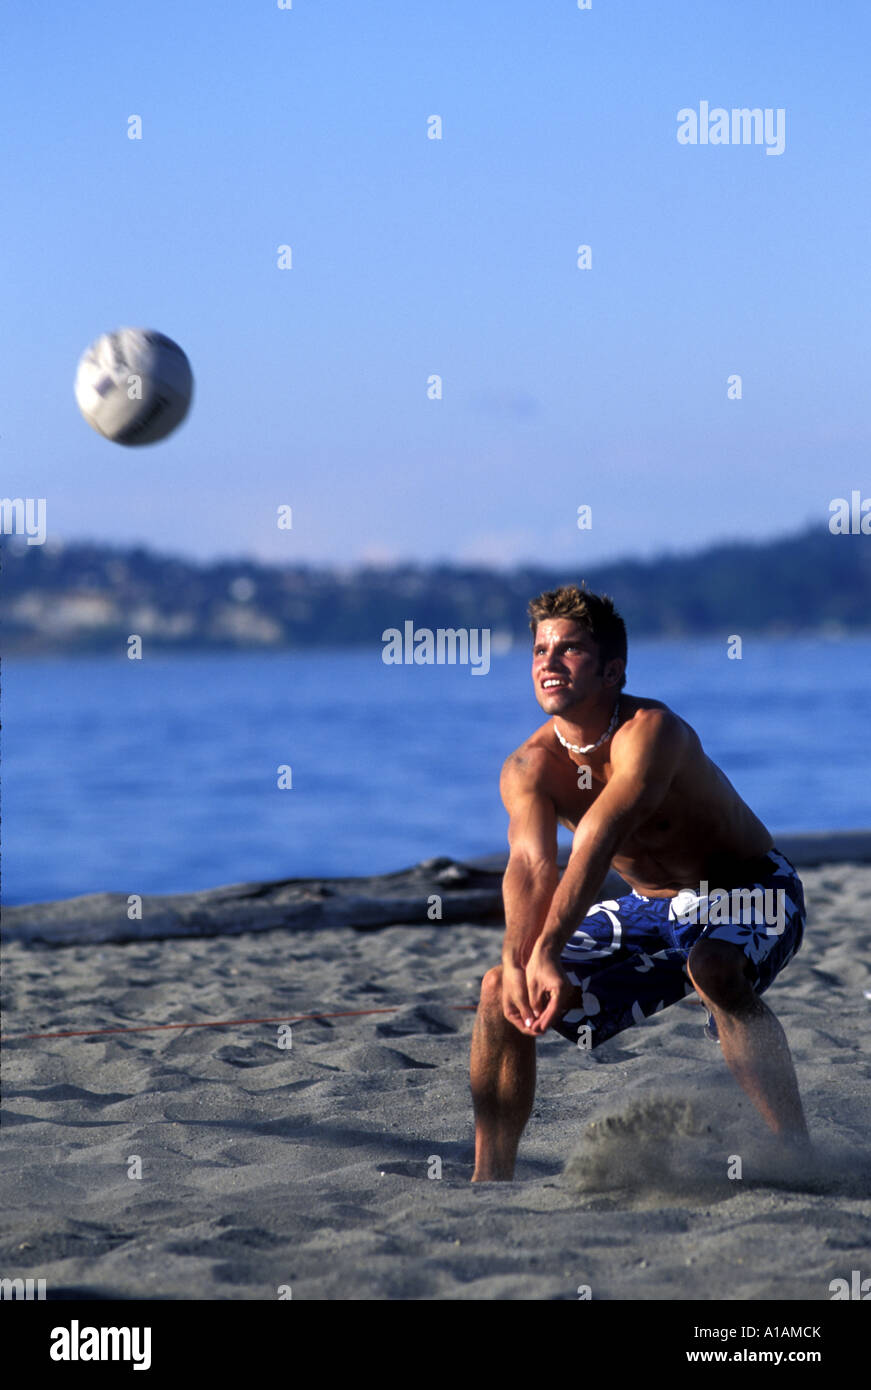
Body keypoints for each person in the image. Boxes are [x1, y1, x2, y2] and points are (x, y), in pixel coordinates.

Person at [470, 585, 808, 1182]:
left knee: (714, 969)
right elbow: (530, 866)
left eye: (569, 650)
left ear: (612, 669)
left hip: (752, 888)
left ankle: (796, 1153)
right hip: (653, 908)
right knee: (502, 989)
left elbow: (596, 841)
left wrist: (548, 947)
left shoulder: (652, 733)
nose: (549, 662)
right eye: (540, 650)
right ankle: (489, 1179)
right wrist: (520, 956)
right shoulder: (529, 766)